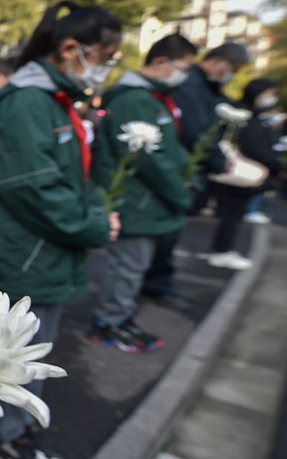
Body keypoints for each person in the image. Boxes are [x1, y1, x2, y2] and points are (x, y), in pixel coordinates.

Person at [0, 0, 122, 458]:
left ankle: (14, 428)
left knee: (24, 353)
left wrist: (93, 211)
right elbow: (36, 190)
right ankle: (9, 435)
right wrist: (94, 223)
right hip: (25, 254)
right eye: (105, 57)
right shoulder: (30, 102)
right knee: (16, 357)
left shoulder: (50, 99)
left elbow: (64, 178)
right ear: (72, 49)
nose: (106, 68)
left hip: (35, 252)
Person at [88, 34, 197, 352]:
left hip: (146, 201)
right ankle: (111, 322)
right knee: (128, 266)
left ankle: (119, 317)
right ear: (161, 62)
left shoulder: (150, 98)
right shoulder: (134, 99)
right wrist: (180, 192)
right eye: (182, 67)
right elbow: (148, 158)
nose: (184, 75)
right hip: (135, 201)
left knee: (133, 267)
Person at [141, 41, 250, 304]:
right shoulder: (191, 87)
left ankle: (157, 282)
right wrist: (216, 159)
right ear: (220, 61)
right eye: (232, 68)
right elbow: (195, 131)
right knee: (165, 234)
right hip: (181, 170)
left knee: (169, 232)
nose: (231, 74)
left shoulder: (208, 88)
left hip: (188, 168)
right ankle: (155, 284)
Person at [208, 78, 282, 270]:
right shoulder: (244, 117)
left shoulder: (252, 116)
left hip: (244, 173)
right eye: (268, 94)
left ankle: (224, 250)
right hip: (238, 174)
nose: (271, 98)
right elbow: (252, 147)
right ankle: (221, 251)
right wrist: (275, 164)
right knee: (231, 215)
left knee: (234, 215)